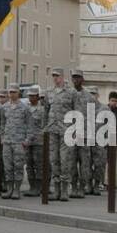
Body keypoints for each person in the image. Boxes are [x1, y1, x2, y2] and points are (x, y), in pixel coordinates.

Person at [45, 70, 75, 200]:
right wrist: (44, 127)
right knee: (54, 160)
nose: (55, 78)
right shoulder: (49, 92)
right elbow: (46, 110)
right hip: (52, 130)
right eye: (54, 76)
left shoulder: (71, 92)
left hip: (66, 131)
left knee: (65, 160)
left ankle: (64, 190)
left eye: (57, 76)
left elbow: (77, 112)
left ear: (62, 77)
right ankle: (56, 189)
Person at [0, 85, 29, 199]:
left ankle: (16, 189)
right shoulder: (5, 107)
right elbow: (2, 123)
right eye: (10, 92)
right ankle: (9, 189)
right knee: (8, 166)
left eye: (14, 92)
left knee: (18, 166)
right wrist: (2, 137)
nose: (12, 94)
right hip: (7, 141)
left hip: (19, 142)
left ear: (18, 93)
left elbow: (29, 125)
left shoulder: (24, 108)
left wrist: (27, 140)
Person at [23, 88, 45, 197]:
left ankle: (40, 187)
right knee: (29, 165)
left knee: (39, 165)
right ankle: (32, 187)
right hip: (28, 142)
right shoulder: (26, 109)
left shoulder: (42, 110)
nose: (31, 98)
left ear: (37, 96)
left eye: (33, 96)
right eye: (29, 96)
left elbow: (44, 126)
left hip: (38, 141)